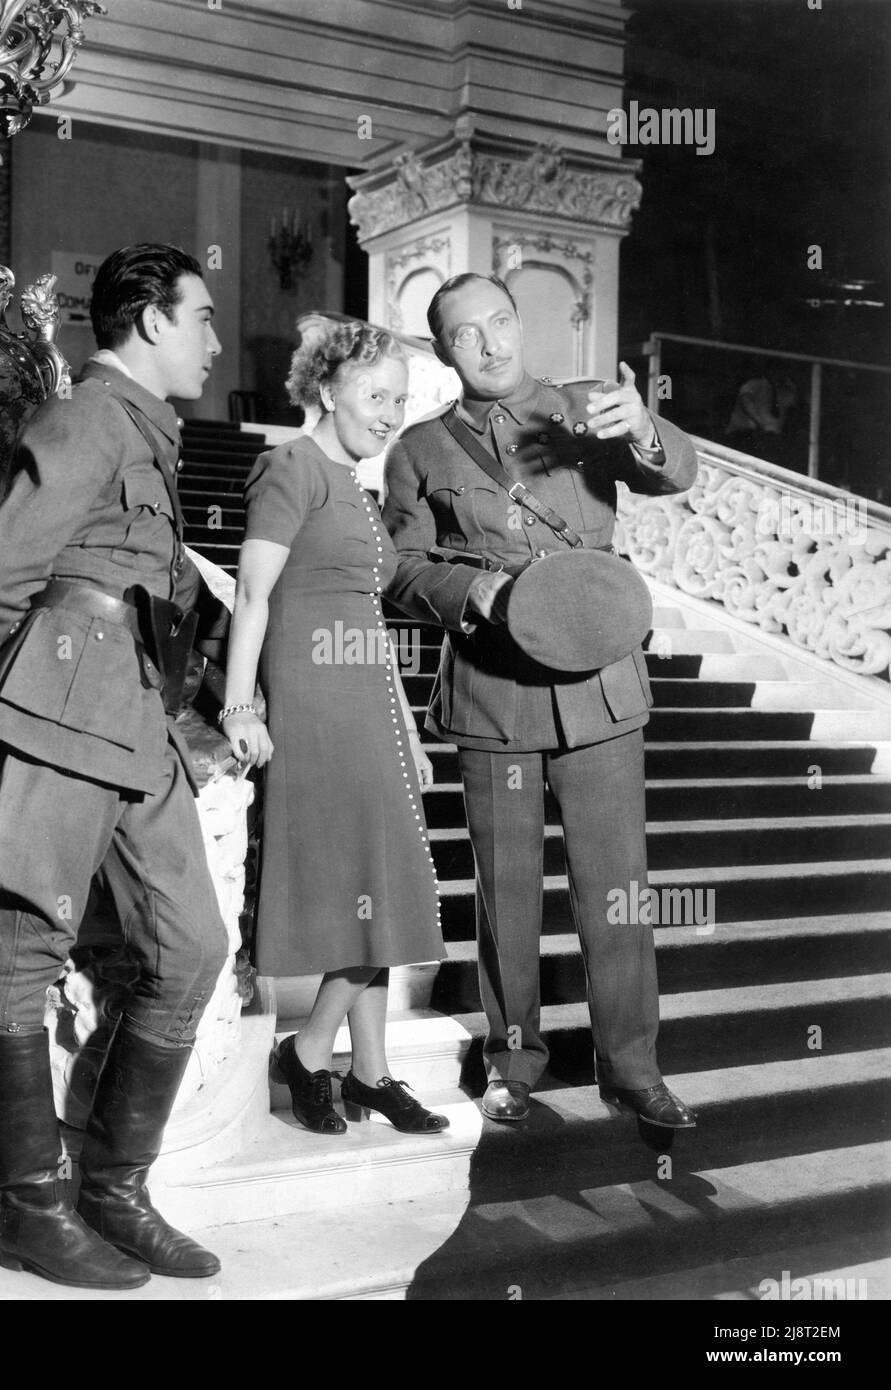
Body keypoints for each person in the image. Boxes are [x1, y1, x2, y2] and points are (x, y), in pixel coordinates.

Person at [0, 243, 230, 1289]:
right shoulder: (85, 418)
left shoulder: (148, 433)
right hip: (70, 711)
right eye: (201, 315)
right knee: (25, 950)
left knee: (194, 947)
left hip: (138, 723)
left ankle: (114, 1189)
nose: (212, 337)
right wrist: (33, 704)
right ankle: (34, 1209)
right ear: (150, 321)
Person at [382, 272, 699, 1128]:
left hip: (597, 684)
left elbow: (674, 475)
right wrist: (468, 589)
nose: (489, 344)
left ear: (521, 325)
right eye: (465, 333)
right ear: (442, 349)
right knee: (506, 890)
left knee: (616, 888)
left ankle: (632, 1066)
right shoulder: (417, 450)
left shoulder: (587, 408)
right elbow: (399, 569)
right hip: (494, 691)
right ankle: (510, 1057)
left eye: (500, 323)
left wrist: (647, 428)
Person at [220, 320, 449, 1137]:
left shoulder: (352, 482)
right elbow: (252, 595)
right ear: (326, 390)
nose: (390, 413)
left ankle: (372, 1071)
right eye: (375, 395)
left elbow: (369, 615)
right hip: (316, 708)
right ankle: (311, 1053)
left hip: (369, 707)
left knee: (379, 889)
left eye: (400, 399)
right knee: (375, 887)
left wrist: (410, 731)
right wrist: (241, 706)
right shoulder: (292, 466)